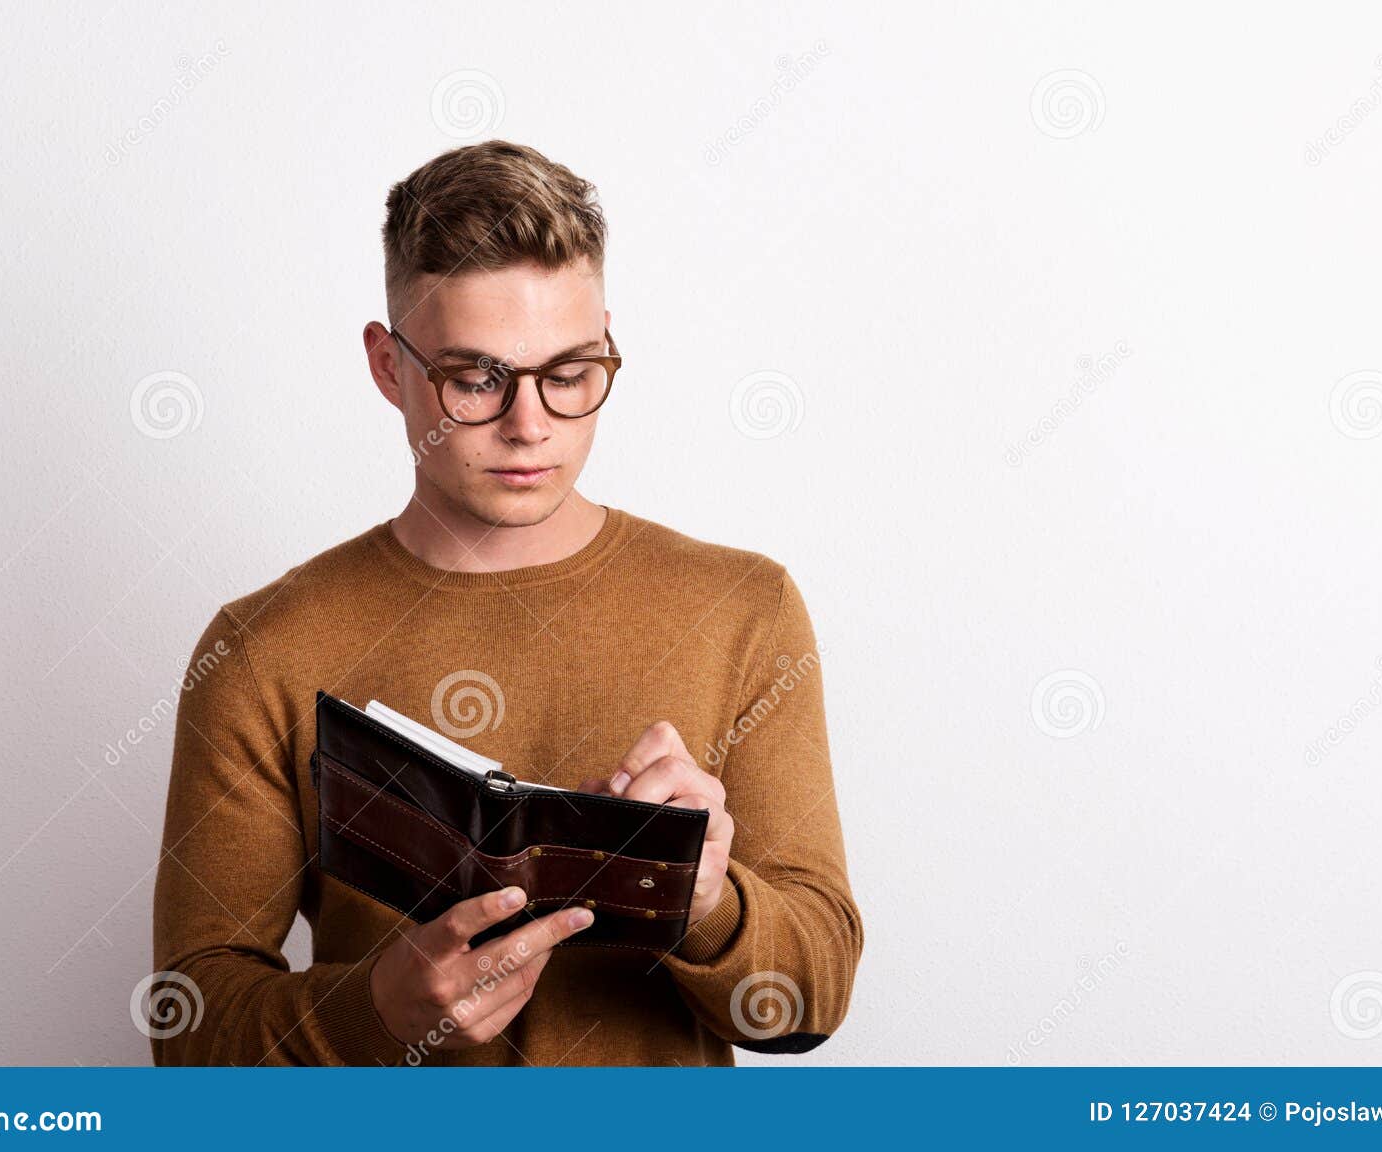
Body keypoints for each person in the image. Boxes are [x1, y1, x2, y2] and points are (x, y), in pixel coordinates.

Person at [151, 140, 863, 1065]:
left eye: (569, 373)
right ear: (386, 365)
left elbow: (812, 1001)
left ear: (609, 343)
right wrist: (376, 1010)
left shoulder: (743, 607)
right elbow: (187, 1029)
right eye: (477, 378)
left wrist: (707, 902)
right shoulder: (261, 647)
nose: (530, 424)